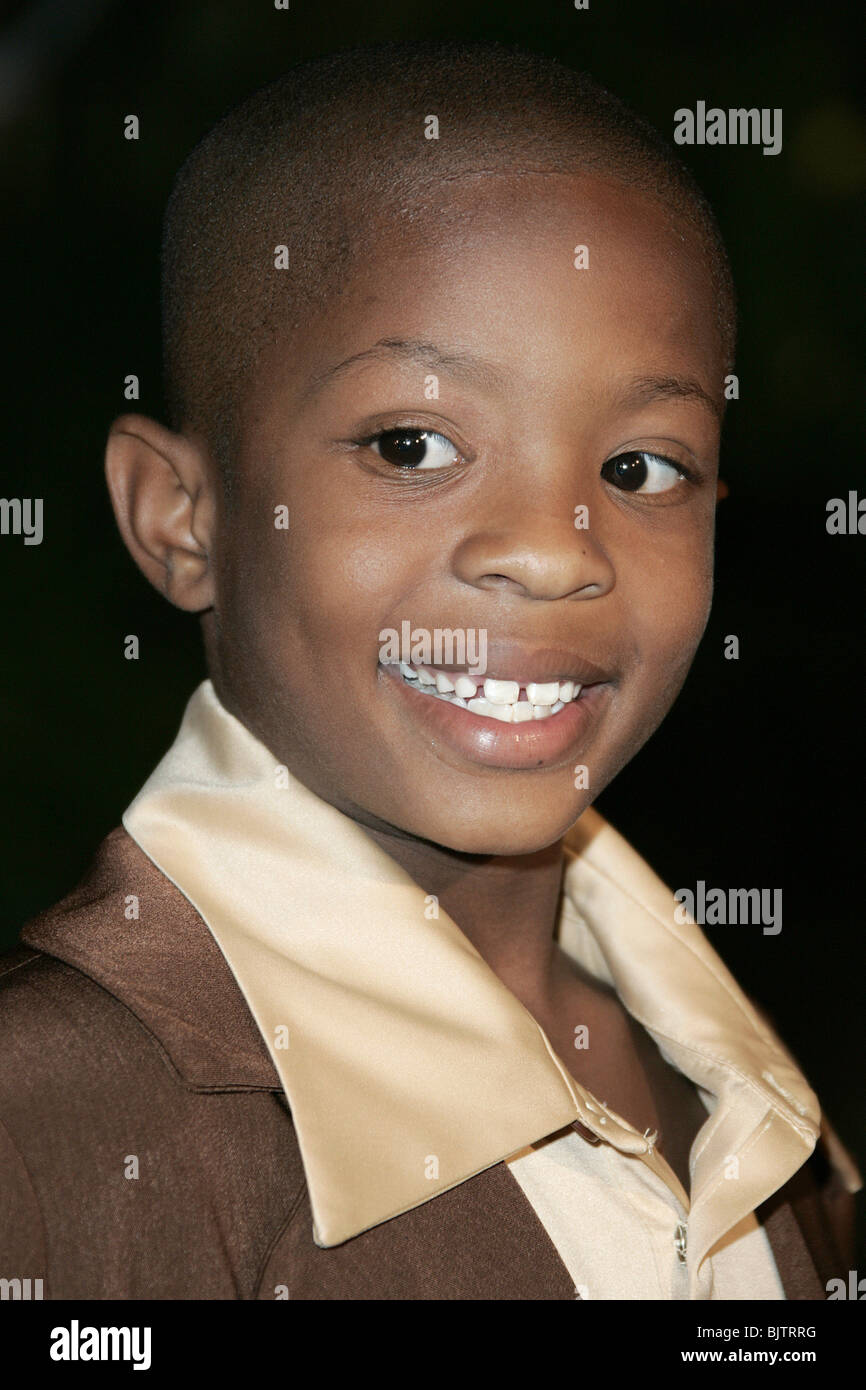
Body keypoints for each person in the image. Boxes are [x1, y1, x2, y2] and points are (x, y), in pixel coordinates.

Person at [0, 39, 858, 1300]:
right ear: (182, 517)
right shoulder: (53, 1129)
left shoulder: (747, 1095)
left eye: (642, 469)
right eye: (411, 444)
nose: (550, 552)